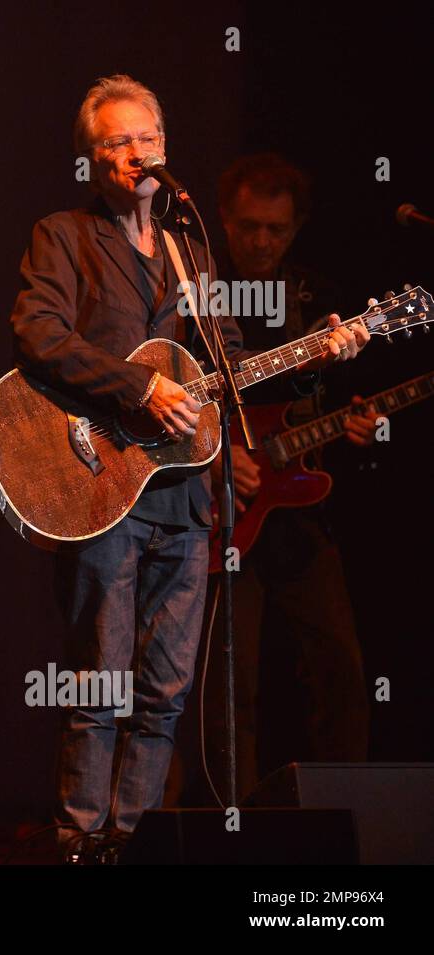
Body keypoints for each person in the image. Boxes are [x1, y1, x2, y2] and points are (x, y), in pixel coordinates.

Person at [6, 75, 368, 860]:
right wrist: (138, 383)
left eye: (146, 139)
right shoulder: (64, 235)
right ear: (91, 159)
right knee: (99, 675)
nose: (135, 154)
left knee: (166, 686)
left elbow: (233, 364)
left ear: (165, 147)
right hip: (100, 482)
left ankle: (129, 837)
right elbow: (37, 333)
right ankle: (77, 834)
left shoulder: (191, 247)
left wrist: (318, 357)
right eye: (116, 142)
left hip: (184, 495)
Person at [202, 153, 372, 800]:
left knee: (343, 670)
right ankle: (228, 829)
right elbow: (169, 393)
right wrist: (216, 453)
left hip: (298, 513)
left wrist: (358, 423)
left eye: (275, 229)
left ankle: (347, 819)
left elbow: (338, 399)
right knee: (228, 691)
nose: (261, 241)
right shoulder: (198, 291)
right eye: (248, 226)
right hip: (222, 507)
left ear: (296, 228)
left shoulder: (315, 298)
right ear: (223, 219)